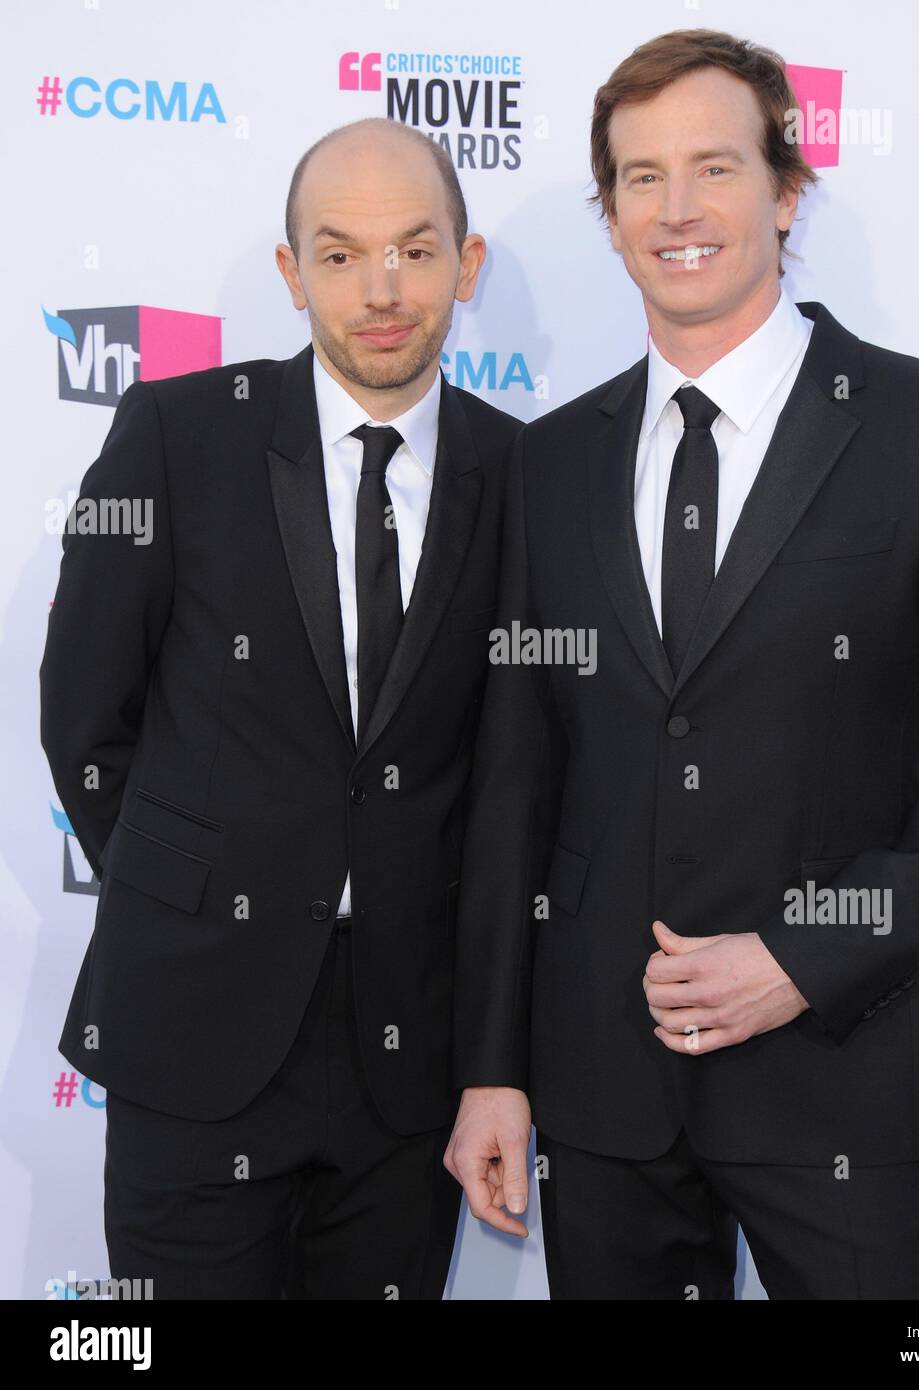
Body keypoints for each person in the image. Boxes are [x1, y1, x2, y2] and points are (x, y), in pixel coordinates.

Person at [444, 29, 919, 1299]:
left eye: (713, 168)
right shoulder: (548, 463)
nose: (676, 210)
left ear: (786, 191)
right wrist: (493, 1063)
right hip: (605, 1093)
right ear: (611, 214)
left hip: (846, 1079)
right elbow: (516, 779)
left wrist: (803, 951)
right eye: (639, 177)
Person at [40, 117, 521, 1299]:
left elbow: (518, 772)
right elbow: (82, 712)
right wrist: (189, 889)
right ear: (290, 270)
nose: (381, 290)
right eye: (342, 252)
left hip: (409, 1055)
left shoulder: (524, 473)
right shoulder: (175, 434)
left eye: (414, 250)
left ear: (465, 265)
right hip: (194, 1030)